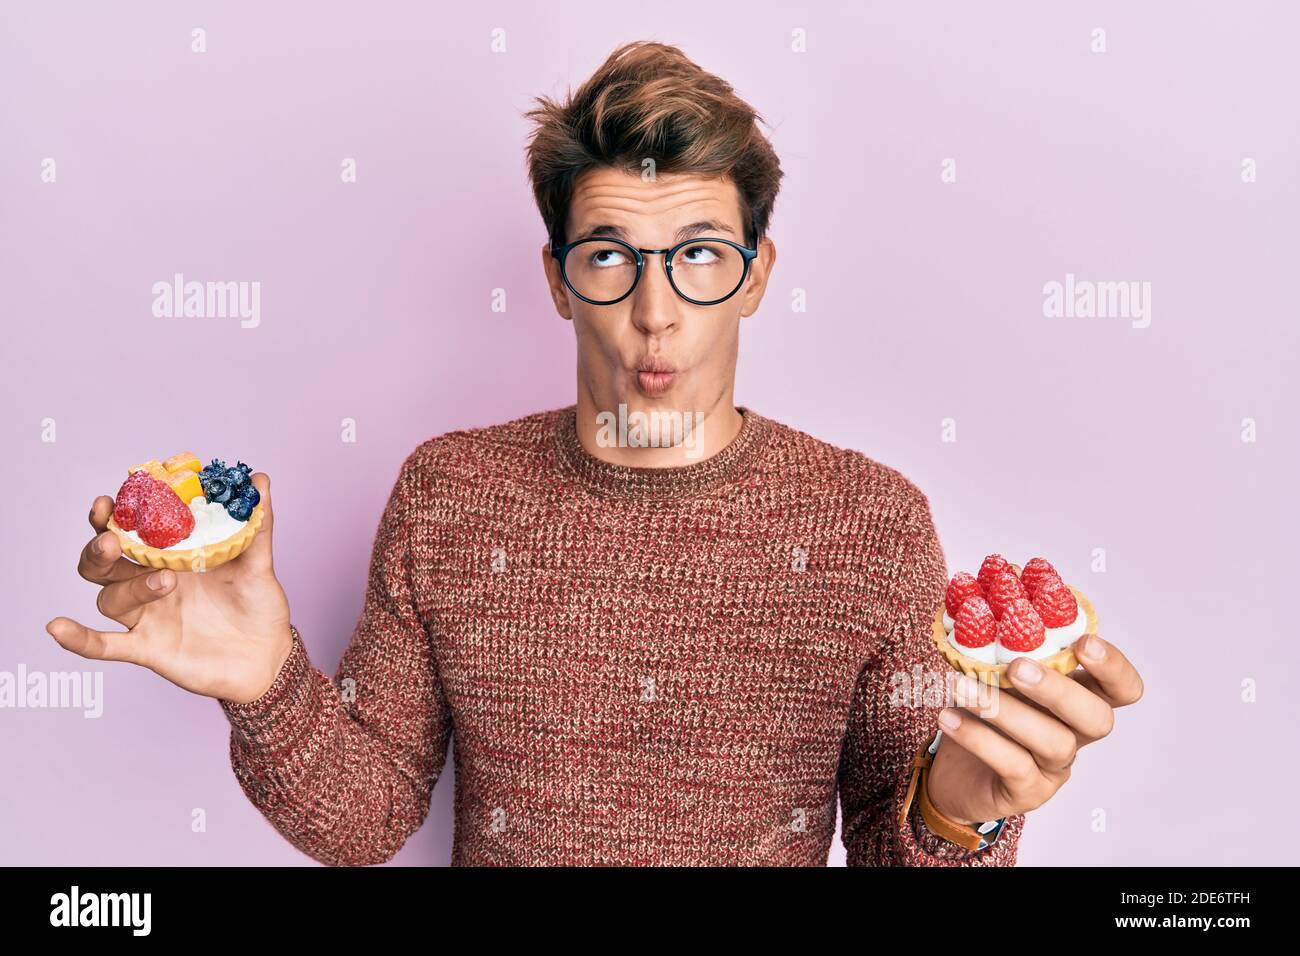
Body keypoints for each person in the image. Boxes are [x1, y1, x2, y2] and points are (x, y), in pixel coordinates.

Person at [48, 40, 1143, 866]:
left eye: (701, 255)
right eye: (611, 255)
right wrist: (266, 687)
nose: (656, 310)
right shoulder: (449, 493)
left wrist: (961, 804)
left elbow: (899, 846)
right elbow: (372, 819)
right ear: (558, 275)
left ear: (756, 275)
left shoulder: (871, 520)